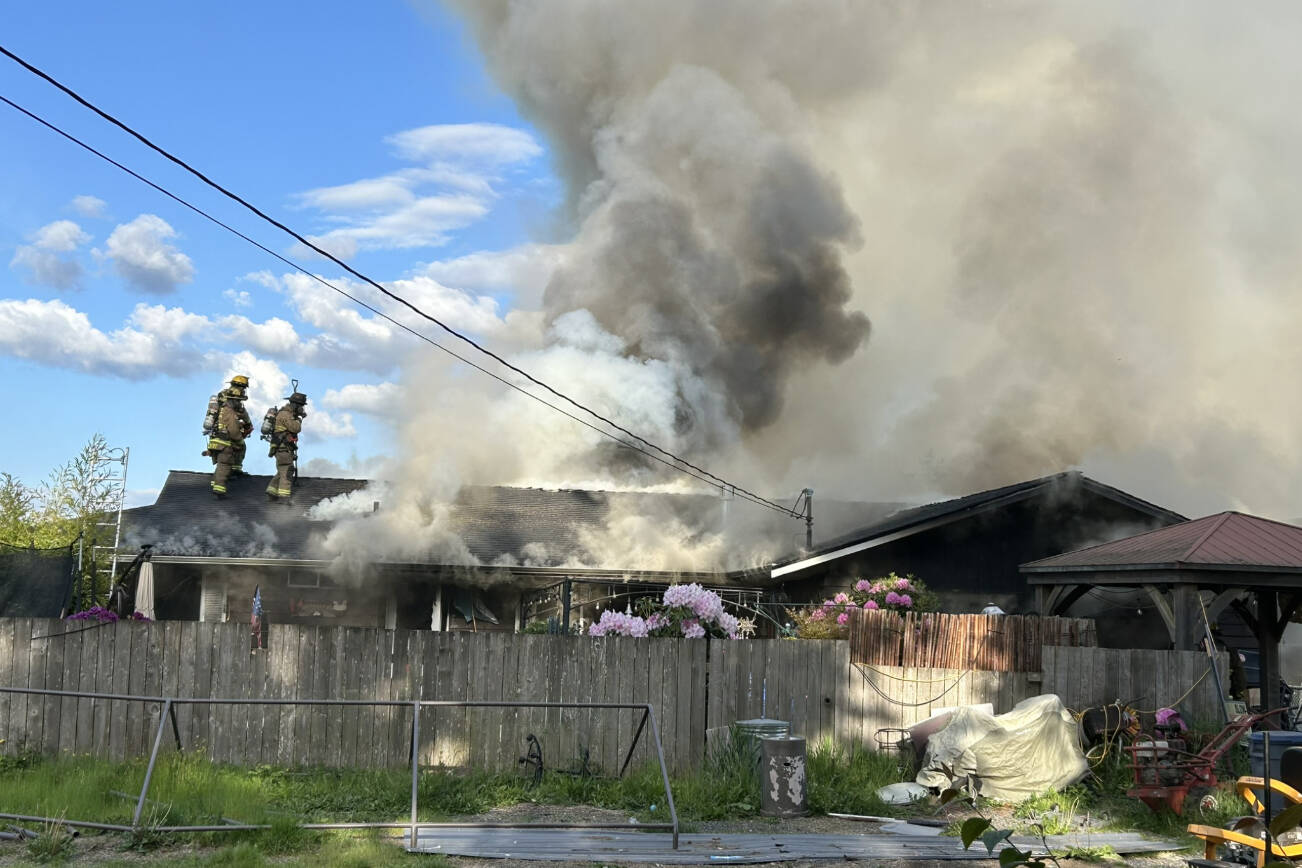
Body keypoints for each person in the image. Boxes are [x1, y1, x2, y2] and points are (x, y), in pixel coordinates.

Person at [209, 380, 252, 497]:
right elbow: (233, 430)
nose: (239, 402)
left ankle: (220, 480)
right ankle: (219, 489)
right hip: (224, 441)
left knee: (222, 463)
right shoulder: (229, 411)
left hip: (215, 439)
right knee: (225, 463)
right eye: (238, 400)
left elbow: (242, 413)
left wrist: (246, 424)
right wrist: (239, 439)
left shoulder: (223, 407)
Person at [266, 391, 307, 500]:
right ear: (296, 405)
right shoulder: (286, 414)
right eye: (301, 406)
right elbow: (295, 428)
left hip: (281, 448)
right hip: (283, 447)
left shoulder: (285, 413)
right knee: (287, 471)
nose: (302, 408)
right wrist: (299, 419)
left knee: (282, 470)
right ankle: (284, 497)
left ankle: (272, 491)